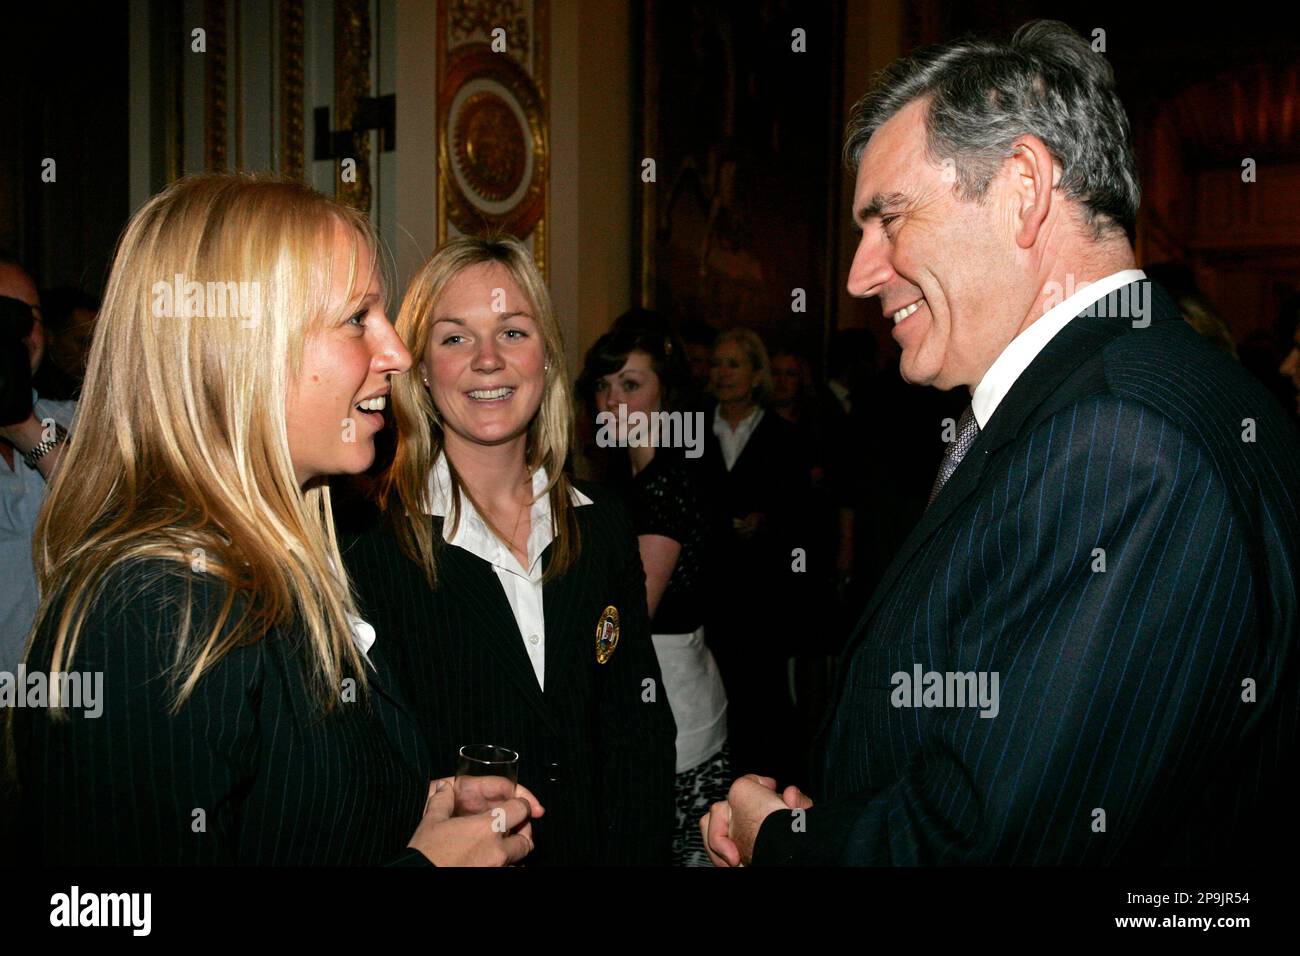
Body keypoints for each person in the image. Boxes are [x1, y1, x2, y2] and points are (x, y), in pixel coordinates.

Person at [703, 20, 1300, 866]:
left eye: (890, 218)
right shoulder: (1118, 395)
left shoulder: (1123, 441)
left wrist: (785, 844)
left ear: (1023, 187)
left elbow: (996, 844)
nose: (859, 274)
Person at [4, 174, 542, 866]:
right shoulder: (156, 610)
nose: (398, 355)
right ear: (240, 351)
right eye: (357, 318)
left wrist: (412, 814)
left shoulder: (282, 565)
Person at [343, 235, 677, 866]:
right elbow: (364, 777)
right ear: (418, 368)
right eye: (455, 337)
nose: (488, 360)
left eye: (513, 332)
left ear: (547, 357)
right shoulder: (369, 546)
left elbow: (640, 733)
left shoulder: (602, 524)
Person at [579, 310, 729, 866]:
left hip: (670, 703)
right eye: (603, 385)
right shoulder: (642, 478)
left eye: (631, 384)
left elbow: (629, 617)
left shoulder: (664, 484)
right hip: (675, 689)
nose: (612, 400)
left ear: (667, 397)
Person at [701, 327, 809, 785]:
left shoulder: (783, 435)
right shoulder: (693, 428)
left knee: (762, 698)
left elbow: (803, 513)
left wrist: (765, 523)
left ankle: (768, 795)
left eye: (734, 365)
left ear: (755, 374)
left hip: (763, 592)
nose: (722, 374)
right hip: (708, 588)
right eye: (717, 364)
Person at [0, 258, 75, 670]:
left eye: (31, 318)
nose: (19, 333)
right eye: (2, 315)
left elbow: (108, 512)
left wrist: (26, 430)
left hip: (76, 709)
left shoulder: (75, 422)